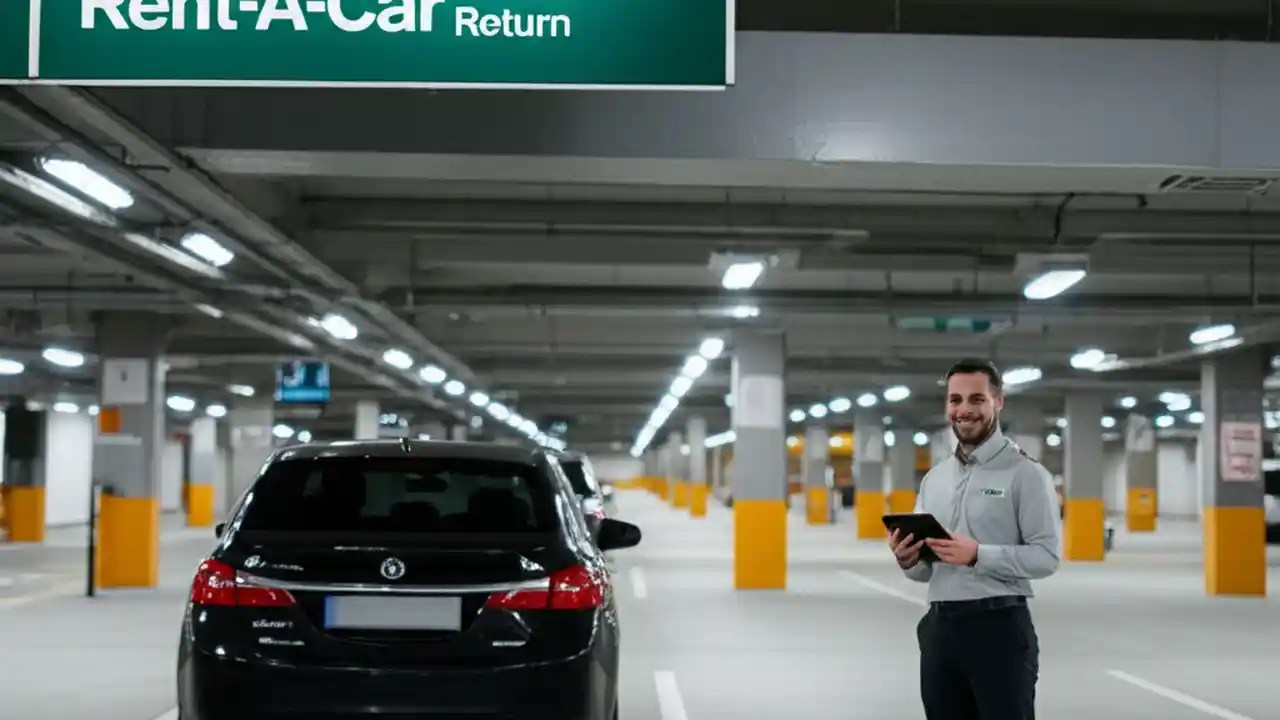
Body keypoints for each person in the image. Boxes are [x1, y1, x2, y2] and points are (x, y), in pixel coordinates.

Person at [887, 358, 1062, 720]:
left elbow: (1046, 557)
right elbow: (924, 573)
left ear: (998, 401)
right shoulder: (934, 478)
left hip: (998, 627)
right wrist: (908, 559)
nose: (964, 410)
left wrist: (978, 555)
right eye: (955, 400)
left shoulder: (1027, 474)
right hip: (940, 629)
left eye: (976, 399)